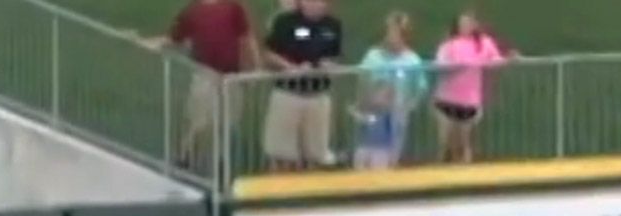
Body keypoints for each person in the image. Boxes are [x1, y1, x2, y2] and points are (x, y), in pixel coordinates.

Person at [150, 0, 260, 173]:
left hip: (230, 75)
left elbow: (246, 38)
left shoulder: (233, 7)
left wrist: (254, 67)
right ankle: (184, 156)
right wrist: (150, 43)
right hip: (204, 74)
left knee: (227, 122)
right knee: (199, 120)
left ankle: (219, 162)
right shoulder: (192, 10)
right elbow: (173, 38)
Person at [261, 0, 343, 172]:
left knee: (316, 154)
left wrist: (329, 65)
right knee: (281, 153)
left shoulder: (333, 25)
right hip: (288, 94)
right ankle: (278, 191)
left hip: (318, 96)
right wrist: (290, 68)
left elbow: (334, 55)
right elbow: (268, 54)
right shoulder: (285, 21)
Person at [433, 11, 513, 164]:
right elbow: (439, 65)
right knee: (446, 141)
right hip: (447, 98)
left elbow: (495, 60)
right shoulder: (448, 45)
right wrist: (453, 68)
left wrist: (508, 60)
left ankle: (464, 172)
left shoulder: (484, 43)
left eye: (469, 22)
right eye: (462, 23)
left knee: (465, 141)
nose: (466, 26)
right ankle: (443, 170)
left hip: (470, 100)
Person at [352, 12, 428, 169]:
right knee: (364, 156)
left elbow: (420, 87)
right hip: (371, 115)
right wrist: (369, 101)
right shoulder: (373, 56)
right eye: (390, 31)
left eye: (397, 32)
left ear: (405, 35)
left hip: (396, 117)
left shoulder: (412, 60)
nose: (392, 36)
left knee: (389, 158)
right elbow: (362, 82)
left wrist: (408, 106)